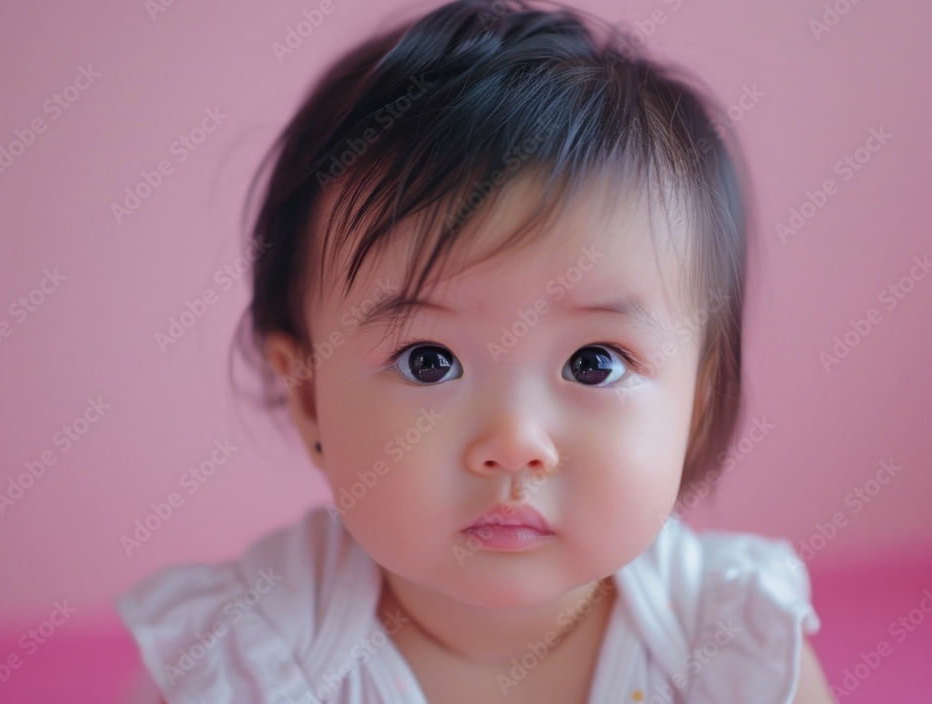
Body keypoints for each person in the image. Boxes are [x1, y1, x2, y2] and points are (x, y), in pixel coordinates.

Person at [115, 1, 833, 701]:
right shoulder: (245, 662)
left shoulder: (735, 650)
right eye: (430, 360)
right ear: (307, 395)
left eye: (595, 362)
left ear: (697, 405)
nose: (514, 445)